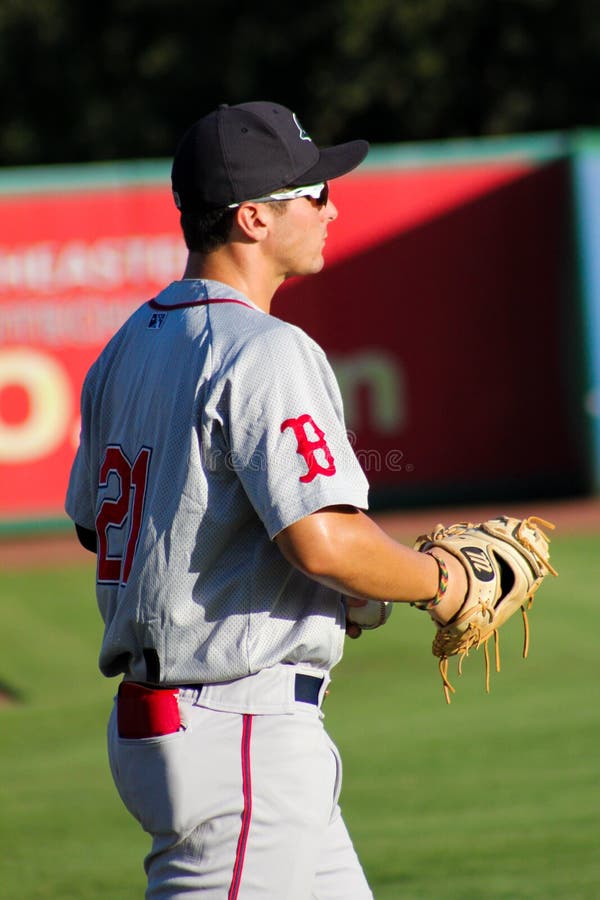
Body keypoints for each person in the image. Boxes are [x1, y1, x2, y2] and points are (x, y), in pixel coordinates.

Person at [65, 101, 467, 900]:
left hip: (182, 723)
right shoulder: (264, 349)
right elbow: (323, 543)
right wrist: (445, 580)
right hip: (239, 730)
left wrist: (306, 593)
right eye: (312, 193)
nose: (332, 206)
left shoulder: (127, 345)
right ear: (253, 217)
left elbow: (102, 527)